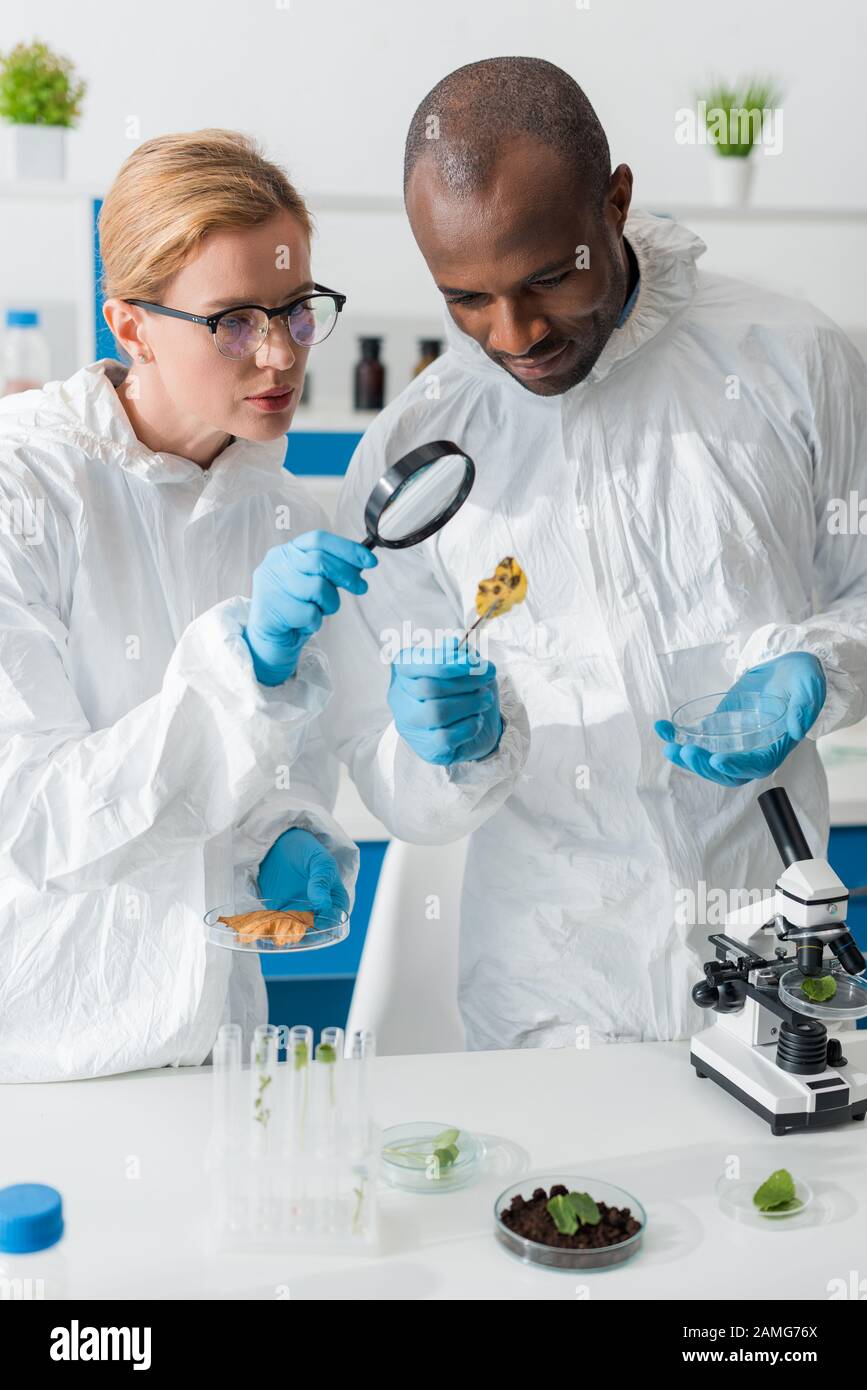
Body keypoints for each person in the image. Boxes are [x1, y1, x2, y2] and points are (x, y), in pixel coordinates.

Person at [323, 58, 867, 1050]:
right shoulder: (417, 450)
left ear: (614, 200)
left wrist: (820, 668)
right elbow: (395, 779)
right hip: (545, 996)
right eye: (467, 300)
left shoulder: (792, 360)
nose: (515, 333)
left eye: (548, 278)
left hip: (770, 967)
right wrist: (440, 749)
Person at [0, 130, 376, 1082]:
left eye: (296, 311)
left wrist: (282, 833)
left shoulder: (281, 507)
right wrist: (240, 668)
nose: (281, 353)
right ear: (129, 327)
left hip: (218, 1046)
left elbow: (264, 772)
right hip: (43, 1057)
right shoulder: (23, 487)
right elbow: (35, 820)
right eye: (234, 321)